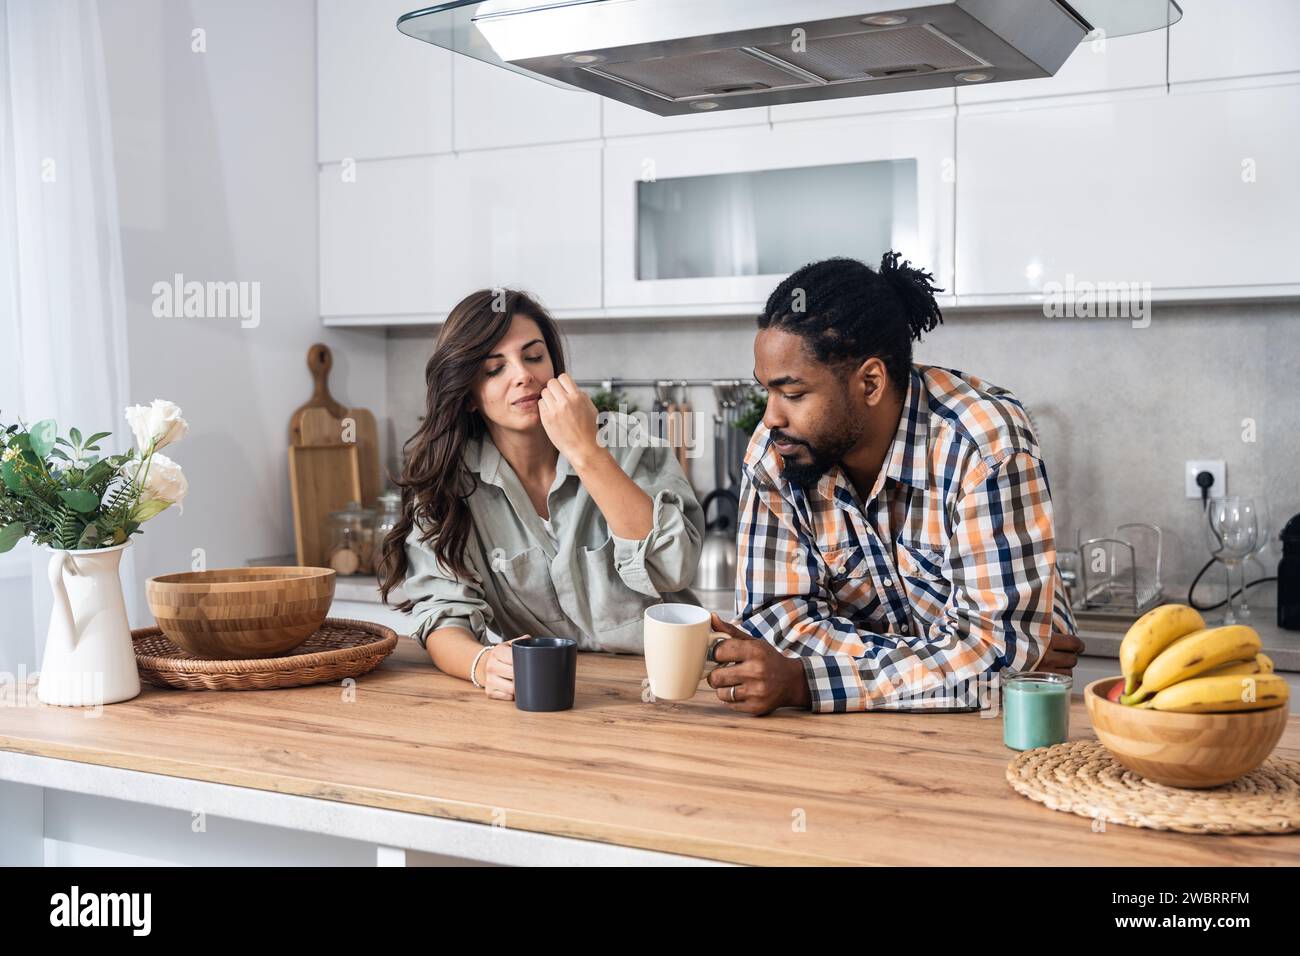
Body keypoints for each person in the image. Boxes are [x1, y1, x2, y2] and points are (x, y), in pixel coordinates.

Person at [705, 253, 1084, 715]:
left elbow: (1000, 659)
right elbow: (774, 625)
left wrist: (808, 680)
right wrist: (958, 659)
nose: (770, 417)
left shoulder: (985, 445)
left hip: (992, 737)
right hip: (842, 742)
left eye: (793, 393)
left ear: (870, 383)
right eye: (766, 390)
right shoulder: (777, 453)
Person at [379, 288, 705, 701]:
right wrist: (481, 664)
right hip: (554, 697)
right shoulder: (447, 487)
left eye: (534, 357)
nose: (523, 375)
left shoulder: (628, 442)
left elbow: (673, 566)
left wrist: (586, 452)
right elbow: (443, 615)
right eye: (494, 369)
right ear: (469, 395)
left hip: (669, 691)